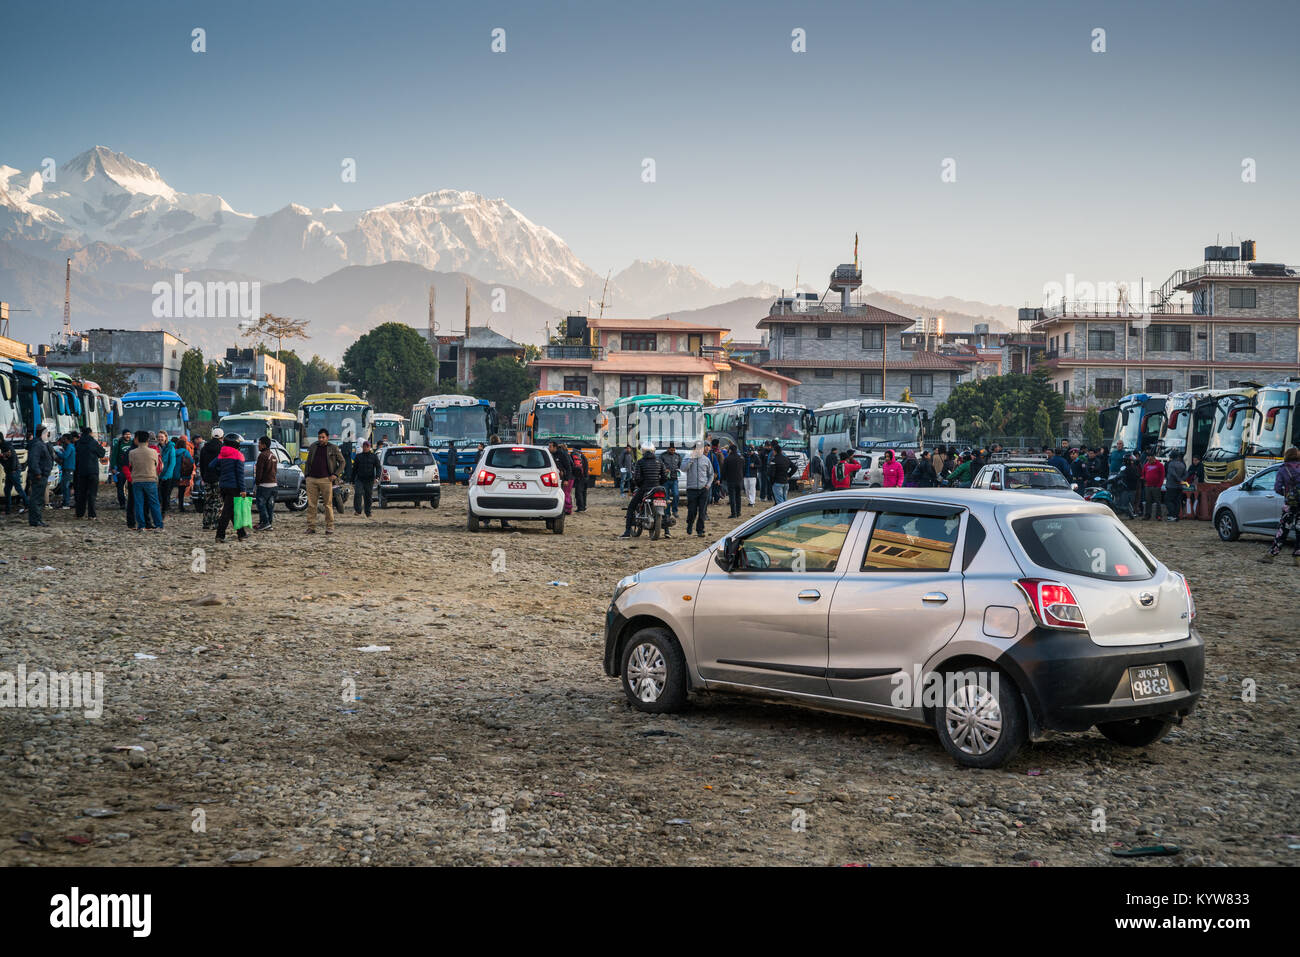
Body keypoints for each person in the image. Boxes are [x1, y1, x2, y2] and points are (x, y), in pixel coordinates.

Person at [1259, 447, 1300, 564]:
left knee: (1283, 529)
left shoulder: (1283, 469)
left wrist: (1287, 494)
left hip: (1290, 504)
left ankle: (1272, 554)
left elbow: (1277, 488)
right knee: (1299, 529)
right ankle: (1298, 558)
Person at [304, 427, 345, 534]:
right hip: (312, 479)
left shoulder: (333, 448)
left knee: (328, 504)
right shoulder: (313, 446)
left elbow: (342, 462)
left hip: (326, 479)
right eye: (319, 437)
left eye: (323, 437)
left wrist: (335, 475)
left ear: (327, 438)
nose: (321, 439)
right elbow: (308, 462)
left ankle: (329, 527)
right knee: (312, 504)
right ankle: (311, 526)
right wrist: (307, 476)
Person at [621, 442, 666, 539]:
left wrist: (640, 485)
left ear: (643, 451)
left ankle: (627, 531)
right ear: (653, 451)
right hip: (657, 488)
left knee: (631, 508)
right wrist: (658, 483)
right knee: (667, 506)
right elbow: (664, 477)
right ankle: (667, 531)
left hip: (645, 489)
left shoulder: (640, 462)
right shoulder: (660, 461)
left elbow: (636, 478)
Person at [127, 429, 163, 532]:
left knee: (139, 503)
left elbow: (131, 466)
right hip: (150, 479)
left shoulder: (132, 453)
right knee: (154, 503)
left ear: (137, 440)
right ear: (148, 440)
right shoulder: (154, 452)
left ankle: (141, 526)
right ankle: (158, 525)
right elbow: (158, 466)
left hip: (137, 480)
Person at [214, 434, 247, 542]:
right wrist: (243, 489)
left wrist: (221, 473)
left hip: (223, 486)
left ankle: (241, 533)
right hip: (234, 487)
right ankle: (220, 535)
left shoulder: (222, 453)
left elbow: (211, 465)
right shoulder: (238, 455)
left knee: (232, 511)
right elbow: (240, 475)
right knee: (227, 512)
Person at [682, 441, 714, 538]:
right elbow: (683, 468)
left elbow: (711, 474)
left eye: (701, 448)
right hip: (691, 489)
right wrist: (691, 459)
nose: (699, 450)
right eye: (697, 449)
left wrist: (708, 485)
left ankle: (700, 530)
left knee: (702, 511)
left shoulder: (706, 460)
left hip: (703, 489)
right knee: (692, 511)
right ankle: (690, 524)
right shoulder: (687, 457)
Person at [73, 427, 104, 519]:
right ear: (90, 433)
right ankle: (91, 514)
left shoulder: (78, 443)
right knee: (92, 494)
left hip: (81, 471)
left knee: (81, 493)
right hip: (93, 471)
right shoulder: (93, 442)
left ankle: (79, 513)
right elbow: (101, 453)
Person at [25, 429, 53, 527]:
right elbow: (33, 460)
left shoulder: (40, 444)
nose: (48, 436)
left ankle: (38, 519)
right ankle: (35, 520)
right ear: (42, 434)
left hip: (42, 474)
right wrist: (38, 473)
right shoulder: (38, 445)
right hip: (40, 475)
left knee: (39, 498)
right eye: (46, 434)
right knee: (36, 498)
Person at [250, 435, 278, 531]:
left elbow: (259, 472)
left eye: (259, 444)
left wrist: (257, 484)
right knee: (270, 505)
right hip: (274, 485)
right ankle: (268, 523)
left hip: (264, 485)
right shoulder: (273, 455)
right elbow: (275, 471)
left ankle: (265, 522)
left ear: (264, 445)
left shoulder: (262, 456)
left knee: (261, 504)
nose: (258, 445)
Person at [199, 429, 225, 530]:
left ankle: (206, 523)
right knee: (218, 501)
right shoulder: (222, 448)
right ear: (222, 437)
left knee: (208, 501)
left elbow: (201, 465)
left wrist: (203, 476)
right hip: (218, 478)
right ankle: (216, 523)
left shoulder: (204, 448)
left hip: (207, 478)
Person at [351, 440, 380, 517]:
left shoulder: (374, 456)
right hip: (359, 479)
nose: (365, 448)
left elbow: (378, 467)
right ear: (362, 447)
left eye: (367, 446)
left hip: (369, 479)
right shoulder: (358, 456)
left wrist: (377, 477)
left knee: (368, 496)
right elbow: (354, 469)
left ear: (369, 447)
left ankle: (368, 512)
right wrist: (352, 480)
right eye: (364, 446)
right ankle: (358, 510)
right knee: (358, 493)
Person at [1, 434, 28, 515]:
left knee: (19, 489)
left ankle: (27, 506)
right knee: (7, 490)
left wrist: (13, 469)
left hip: (13, 471)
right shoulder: (4, 445)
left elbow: (11, 457)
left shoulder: (6, 445)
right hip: (10, 471)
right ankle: (7, 510)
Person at [109, 428, 132, 508]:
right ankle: (122, 503)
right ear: (123, 435)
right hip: (120, 468)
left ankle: (131, 503)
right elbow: (114, 456)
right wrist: (112, 467)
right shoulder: (118, 444)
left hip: (131, 469)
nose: (127, 436)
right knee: (120, 487)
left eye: (129, 434)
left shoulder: (133, 443)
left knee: (131, 487)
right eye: (126, 434)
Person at [156, 429, 177, 513]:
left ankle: (164, 510)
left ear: (166, 438)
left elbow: (172, 463)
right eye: (159, 437)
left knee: (165, 494)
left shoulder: (170, 448)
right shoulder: (156, 447)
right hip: (157, 475)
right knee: (158, 495)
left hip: (167, 475)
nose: (160, 438)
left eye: (162, 437)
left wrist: (167, 475)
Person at [721, 442, 744, 518]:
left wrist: (723, 478)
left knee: (732, 497)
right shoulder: (740, 458)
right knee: (738, 496)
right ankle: (738, 512)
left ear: (730, 450)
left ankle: (733, 513)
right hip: (739, 480)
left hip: (731, 480)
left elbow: (724, 470)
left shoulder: (727, 459)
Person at [1163, 454, 1188, 521]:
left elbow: (1173, 473)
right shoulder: (1182, 464)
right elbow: (1186, 474)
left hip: (1171, 485)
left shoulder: (1171, 464)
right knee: (1177, 501)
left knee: (1168, 500)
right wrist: (1182, 480)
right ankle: (1176, 516)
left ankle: (1172, 515)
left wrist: (1178, 479)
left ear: (1171, 457)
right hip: (1179, 486)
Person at [172, 435, 194, 511]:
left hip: (174, 474)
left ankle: (167, 505)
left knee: (170, 490)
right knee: (181, 491)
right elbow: (191, 462)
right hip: (183, 474)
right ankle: (181, 506)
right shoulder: (186, 452)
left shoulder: (173, 452)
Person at [659, 443, 681, 517]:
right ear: (668, 448)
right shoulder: (662, 456)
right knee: (666, 497)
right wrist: (665, 470)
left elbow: (679, 466)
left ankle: (675, 511)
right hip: (665, 480)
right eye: (671, 449)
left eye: (674, 449)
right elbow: (660, 466)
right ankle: (667, 513)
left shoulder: (677, 456)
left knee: (676, 494)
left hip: (674, 479)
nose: (673, 450)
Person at [1141, 454, 1165, 520]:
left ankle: (1159, 516)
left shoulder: (1160, 465)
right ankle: (1147, 515)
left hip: (1156, 486)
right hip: (1148, 486)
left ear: (1154, 458)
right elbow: (1143, 474)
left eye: (1150, 459)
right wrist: (1144, 480)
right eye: (1148, 459)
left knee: (1158, 501)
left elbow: (1162, 476)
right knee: (1148, 501)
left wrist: (1159, 485)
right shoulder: (1146, 465)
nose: (1149, 461)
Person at [56, 434, 74, 508]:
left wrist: (56, 452)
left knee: (65, 486)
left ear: (66, 439)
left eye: (63, 439)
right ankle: (65, 502)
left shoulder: (69, 446)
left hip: (68, 468)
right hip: (67, 468)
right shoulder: (70, 446)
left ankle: (66, 503)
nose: (62, 440)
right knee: (64, 486)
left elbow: (65, 456)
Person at [569, 445, 589, 512]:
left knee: (578, 492)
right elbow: (586, 467)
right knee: (583, 492)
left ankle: (580, 507)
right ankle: (583, 506)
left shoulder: (574, 456)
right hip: (585, 477)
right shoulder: (583, 457)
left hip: (578, 477)